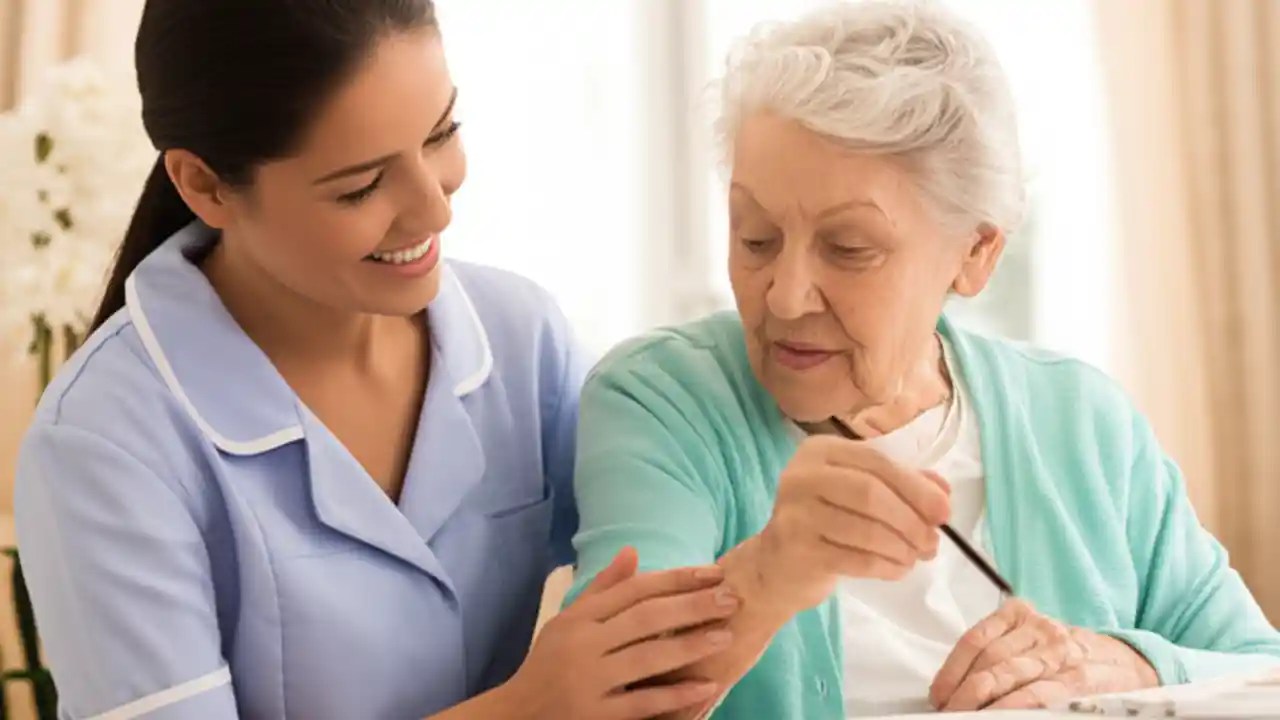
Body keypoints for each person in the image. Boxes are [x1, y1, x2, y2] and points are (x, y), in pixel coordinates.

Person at [14, 2, 740, 718]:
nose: (435, 210)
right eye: (360, 186)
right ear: (204, 186)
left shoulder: (521, 338)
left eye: (442, 133)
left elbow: (680, 548)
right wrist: (531, 706)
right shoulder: (102, 442)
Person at [566, 2, 1280, 718]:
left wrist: (1130, 666)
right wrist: (770, 571)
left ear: (976, 253)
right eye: (755, 237)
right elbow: (602, 705)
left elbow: (1261, 671)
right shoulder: (661, 402)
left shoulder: (1083, 423)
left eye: (848, 249)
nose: (784, 297)